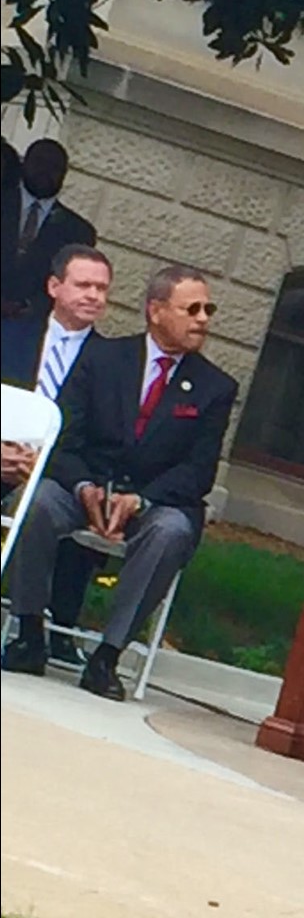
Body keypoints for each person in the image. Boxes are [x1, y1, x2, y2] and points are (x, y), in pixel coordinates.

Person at [0, 265, 238, 701]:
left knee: (171, 532)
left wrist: (141, 501)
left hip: (155, 501)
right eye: (192, 309)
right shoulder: (102, 358)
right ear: (156, 311)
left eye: (209, 310)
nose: (203, 319)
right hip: (86, 486)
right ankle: (29, 633)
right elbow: (64, 438)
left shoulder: (215, 387)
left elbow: (198, 470)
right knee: (38, 502)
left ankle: (107, 656)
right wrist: (83, 487)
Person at [1, 244, 117, 666]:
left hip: (61, 476)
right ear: (54, 286)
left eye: (102, 288)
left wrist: (43, 464)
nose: (94, 296)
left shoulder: (114, 363)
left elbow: (104, 439)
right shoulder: (10, 336)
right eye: (83, 285)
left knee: (50, 502)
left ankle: (41, 628)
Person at [1, 138, 98, 319]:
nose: (45, 171)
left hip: (30, 326)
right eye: (39, 162)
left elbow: (70, 285)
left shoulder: (78, 232)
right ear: (25, 163)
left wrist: (26, 307)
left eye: (54, 167)